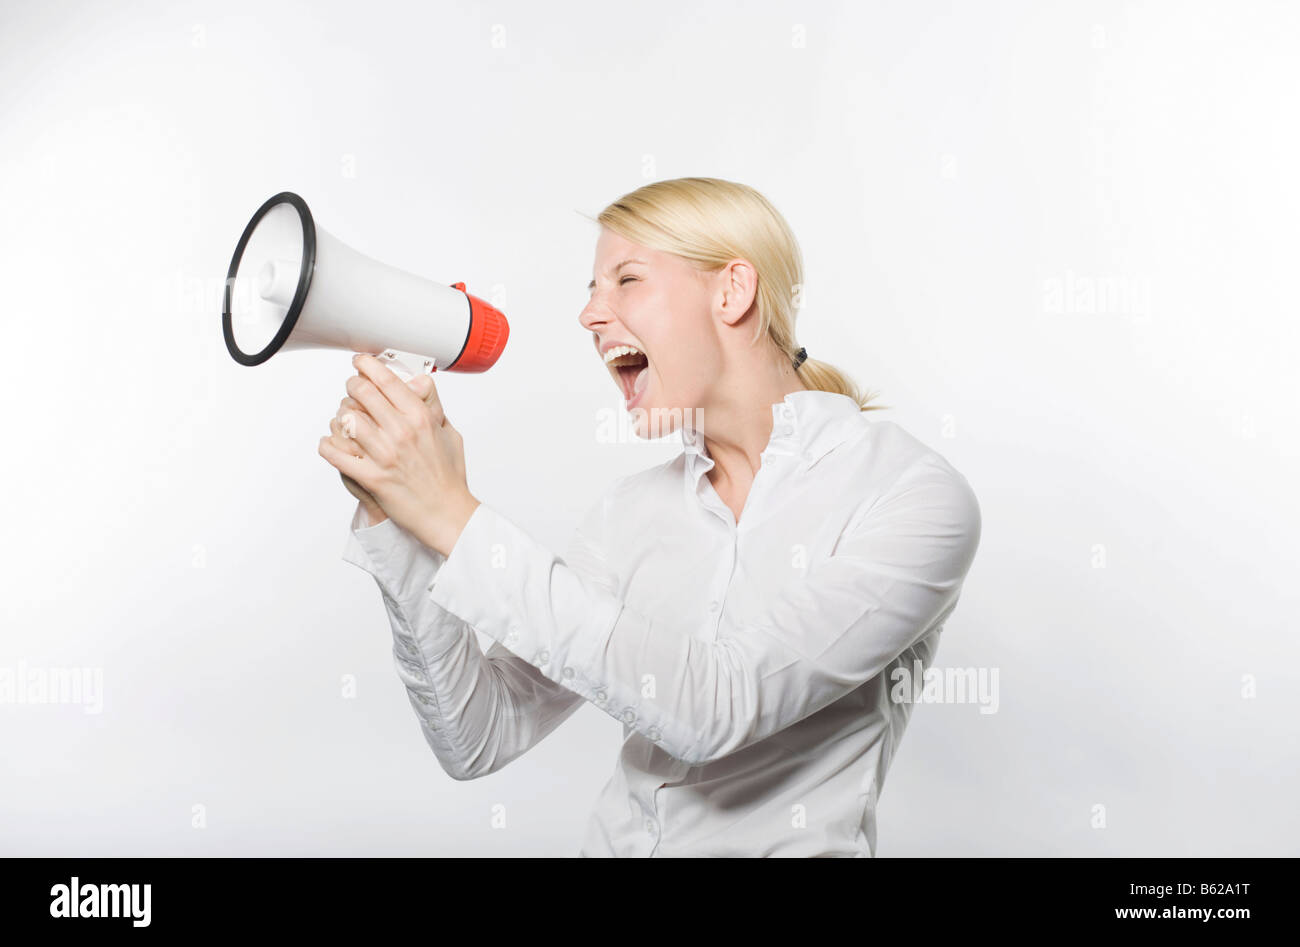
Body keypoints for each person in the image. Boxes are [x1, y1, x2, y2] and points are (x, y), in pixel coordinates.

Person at [318, 176, 982, 857]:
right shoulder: (629, 514)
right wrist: (398, 513)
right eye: (590, 289)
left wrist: (454, 518)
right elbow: (476, 735)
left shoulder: (912, 496)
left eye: (626, 279)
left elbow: (718, 705)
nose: (589, 316)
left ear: (732, 292)